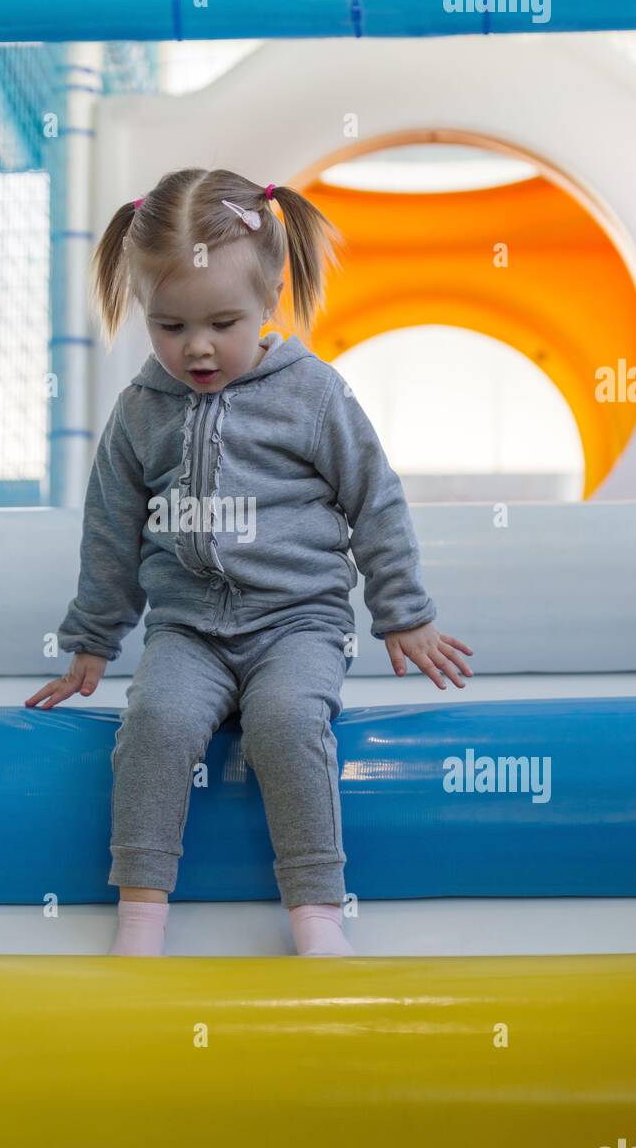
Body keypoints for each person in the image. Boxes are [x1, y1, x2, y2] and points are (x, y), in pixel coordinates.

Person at [26, 168, 473, 956]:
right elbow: (110, 528)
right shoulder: (140, 412)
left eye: (221, 323)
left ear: (269, 301)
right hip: (187, 632)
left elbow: (374, 498)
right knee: (154, 722)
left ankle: (315, 913)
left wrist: (402, 613)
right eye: (168, 327)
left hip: (295, 623)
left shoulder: (312, 395)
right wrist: (92, 639)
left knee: (284, 722)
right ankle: (139, 916)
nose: (195, 347)